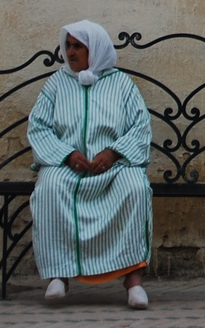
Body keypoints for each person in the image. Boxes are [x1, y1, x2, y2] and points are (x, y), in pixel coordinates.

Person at [27, 20, 154, 309]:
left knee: (136, 187)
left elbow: (140, 127)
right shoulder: (57, 84)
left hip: (113, 169)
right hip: (66, 169)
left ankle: (133, 282)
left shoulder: (121, 84)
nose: (70, 52)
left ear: (93, 50)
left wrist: (113, 152)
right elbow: (39, 127)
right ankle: (58, 276)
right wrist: (66, 154)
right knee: (48, 188)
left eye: (77, 46)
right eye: (68, 46)